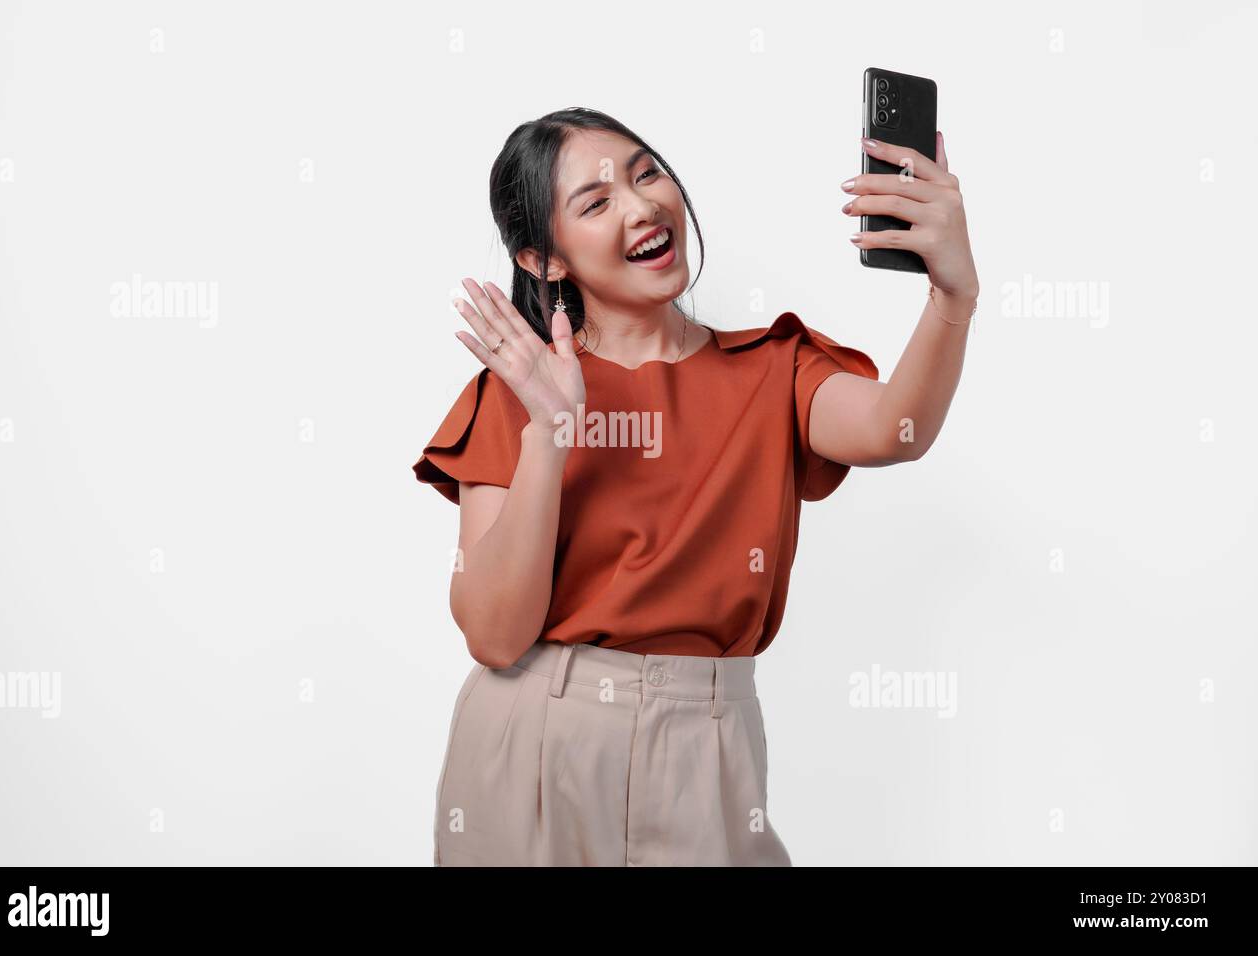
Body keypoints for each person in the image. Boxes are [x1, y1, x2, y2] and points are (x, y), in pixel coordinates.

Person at [412, 107, 979, 866]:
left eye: (647, 173)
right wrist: (549, 431)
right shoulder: (514, 394)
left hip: (707, 741)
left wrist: (952, 298)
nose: (643, 205)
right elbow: (494, 634)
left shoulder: (773, 368)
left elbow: (893, 431)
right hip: (537, 736)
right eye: (596, 200)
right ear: (545, 261)